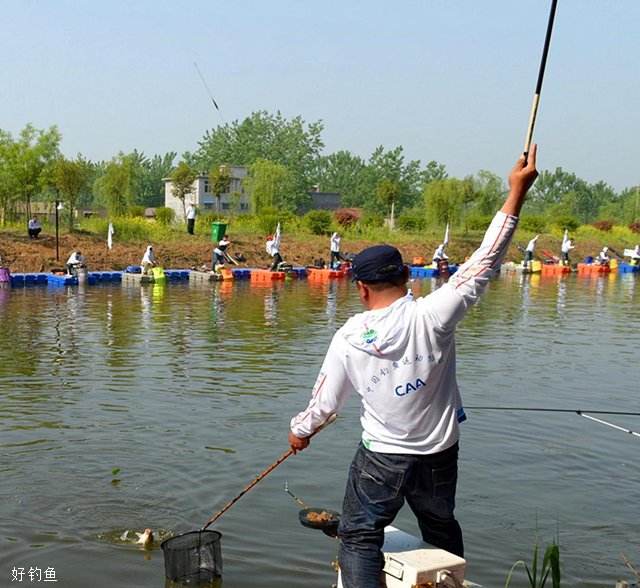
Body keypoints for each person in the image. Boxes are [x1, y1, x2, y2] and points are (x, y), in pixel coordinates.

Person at [287, 146, 539, 588]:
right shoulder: (434, 314)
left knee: (360, 538)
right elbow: (485, 258)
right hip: (440, 456)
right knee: (440, 527)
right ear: (406, 276)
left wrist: (301, 431)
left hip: (381, 457)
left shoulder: (349, 336)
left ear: (361, 288)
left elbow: (326, 404)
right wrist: (515, 193)